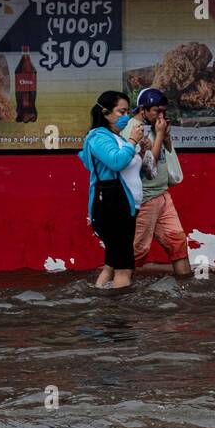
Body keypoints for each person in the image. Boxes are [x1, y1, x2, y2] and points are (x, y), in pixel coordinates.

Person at [79, 91, 152, 289]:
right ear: (105, 112)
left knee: (112, 264)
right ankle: (118, 314)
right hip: (111, 204)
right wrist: (133, 142)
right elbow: (116, 161)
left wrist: (142, 150)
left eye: (127, 111)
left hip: (123, 205)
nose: (126, 116)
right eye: (121, 111)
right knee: (124, 267)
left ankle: (100, 301)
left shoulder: (116, 138)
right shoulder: (98, 137)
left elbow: (136, 171)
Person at [130, 88, 193, 278]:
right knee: (136, 250)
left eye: (164, 111)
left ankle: (186, 289)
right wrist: (159, 135)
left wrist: (165, 137)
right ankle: (117, 290)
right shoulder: (134, 130)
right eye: (157, 111)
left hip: (162, 194)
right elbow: (148, 167)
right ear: (143, 110)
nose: (162, 116)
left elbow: (167, 156)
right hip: (146, 198)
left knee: (178, 242)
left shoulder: (154, 127)